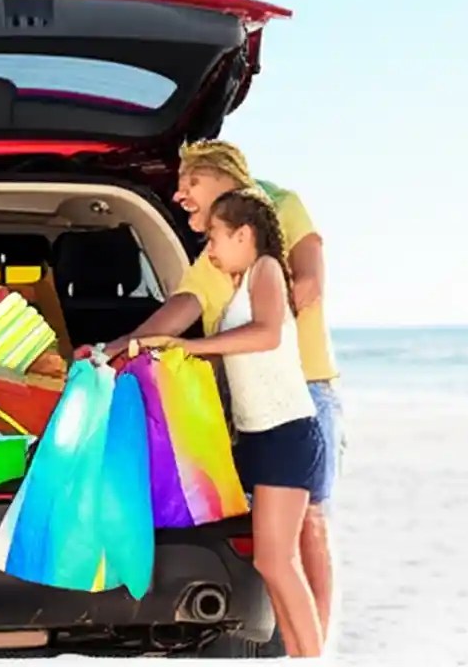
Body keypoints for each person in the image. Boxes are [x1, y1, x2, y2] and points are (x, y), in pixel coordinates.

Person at [77, 139, 342, 646]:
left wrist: (201, 344)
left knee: (304, 530)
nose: (179, 195)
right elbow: (173, 313)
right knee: (273, 552)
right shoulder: (216, 260)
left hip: (303, 397)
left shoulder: (275, 220)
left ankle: (313, 648)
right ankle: (297, 648)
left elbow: (303, 284)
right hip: (257, 420)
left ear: (225, 180)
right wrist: (108, 351)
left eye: (189, 182)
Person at [135, 188, 326, 657]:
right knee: (269, 560)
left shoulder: (266, 269)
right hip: (259, 436)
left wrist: (192, 347)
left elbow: (265, 334)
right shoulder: (241, 282)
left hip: (287, 433)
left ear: (245, 234)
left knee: (278, 562)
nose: (210, 249)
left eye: (216, 237)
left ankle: (313, 657)